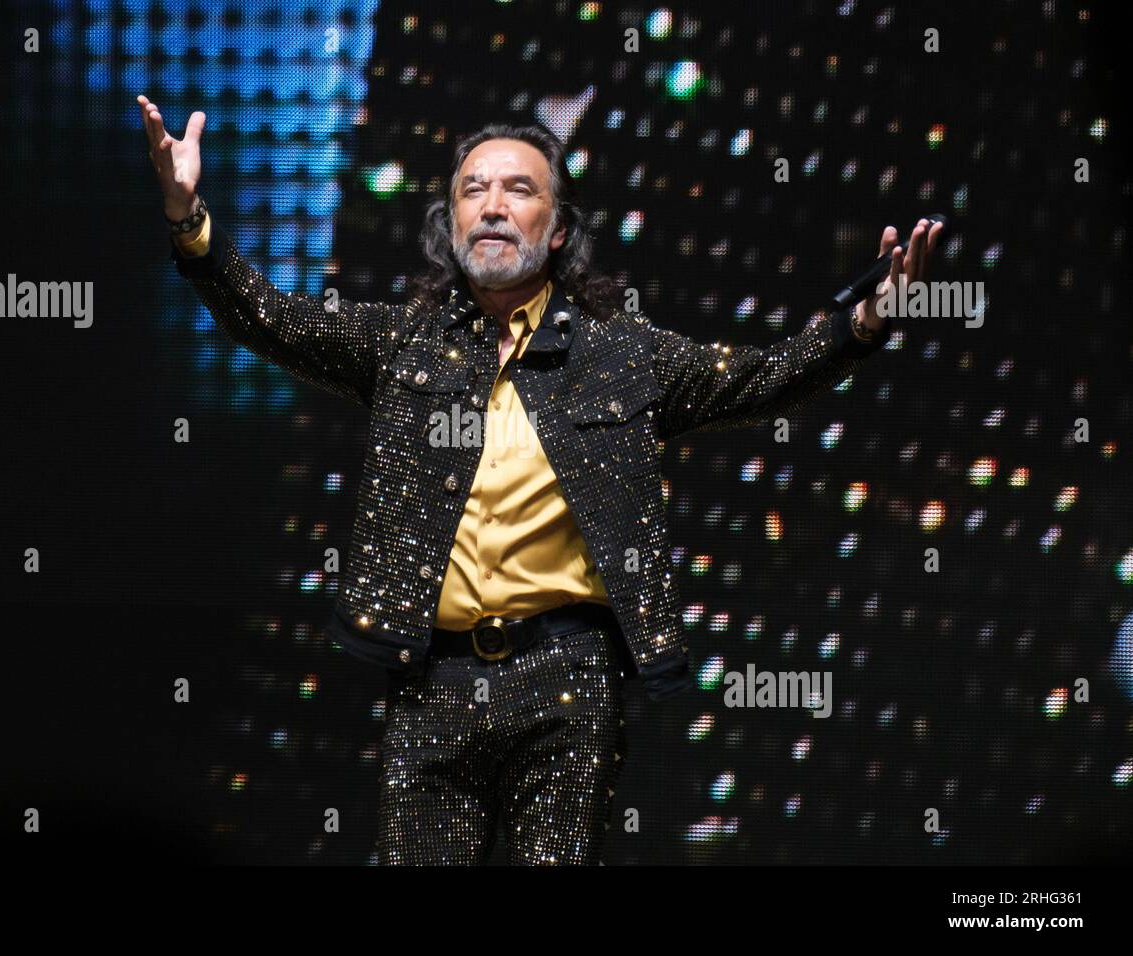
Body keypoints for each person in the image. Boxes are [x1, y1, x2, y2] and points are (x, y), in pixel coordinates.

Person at [137, 94, 942, 865]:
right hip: (431, 681)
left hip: (566, 681)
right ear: (449, 222)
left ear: (556, 230)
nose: (491, 205)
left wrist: (861, 325)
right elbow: (268, 316)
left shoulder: (621, 353)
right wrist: (188, 221)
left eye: (518, 189)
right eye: (472, 190)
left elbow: (762, 377)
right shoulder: (399, 342)